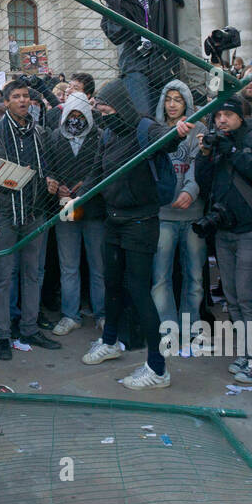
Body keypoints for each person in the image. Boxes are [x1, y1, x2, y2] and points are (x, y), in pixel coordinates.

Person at [77, 79, 173, 389]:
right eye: (99, 109)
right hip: (114, 220)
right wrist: (78, 199)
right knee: (112, 284)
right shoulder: (107, 133)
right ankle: (110, 342)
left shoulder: (144, 127)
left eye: (105, 108)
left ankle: (158, 369)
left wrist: (179, 131)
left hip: (141, 222)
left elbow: (167, 140)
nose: (102, 114)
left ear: (119, 104)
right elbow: (96, 171)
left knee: (139, 290)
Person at [193, 97, 252, 382]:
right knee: (232, 298)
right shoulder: (217, 143)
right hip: (223, 229)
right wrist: (204, 154)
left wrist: (232, 152)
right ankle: (246, 351)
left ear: (241, 116)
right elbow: (204, 184)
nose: (221, 120)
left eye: (228, 114)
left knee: (249, 297)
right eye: (217, 115)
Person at [0, 78, 61, 360]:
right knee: (2, 276)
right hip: (4, 214)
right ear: (7, 102)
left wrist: (48, 179)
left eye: (27, 96)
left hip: (34, 213)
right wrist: (10, 177)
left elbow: (49, 167)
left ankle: (29, 328)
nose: (23, 101)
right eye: (18, 97)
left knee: (33, 274)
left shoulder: (40, 133)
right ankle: (2, 334)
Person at [150, 79, 206, 348]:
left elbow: (199, 163)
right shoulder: (156, 130)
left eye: (178, 99)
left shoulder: (199, 129)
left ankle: (192, 324)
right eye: (168, 99)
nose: (172, 104)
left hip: (193, 213)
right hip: (163, 215)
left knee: (194, 275)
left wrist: (191, 190)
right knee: (161, 276)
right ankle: (167, 326)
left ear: (187, 103)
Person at [46, 91, 105, 335]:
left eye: (81, 114)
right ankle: (70, 314)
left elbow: (103, 167)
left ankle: (102, 313)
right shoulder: (54, 138)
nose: (76, 119)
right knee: (68, 265)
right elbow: (47, 166)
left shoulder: (100, 137)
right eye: (72, 114)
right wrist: (56, 184)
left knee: (98, 265)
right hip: (65, 208)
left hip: (94, 209)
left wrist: (86, 185)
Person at [100, 0, 177, 117]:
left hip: (159, 62)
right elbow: (116, 35)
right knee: (143, 116)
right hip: (134, 63)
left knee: (165, 115)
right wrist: (112, 3)